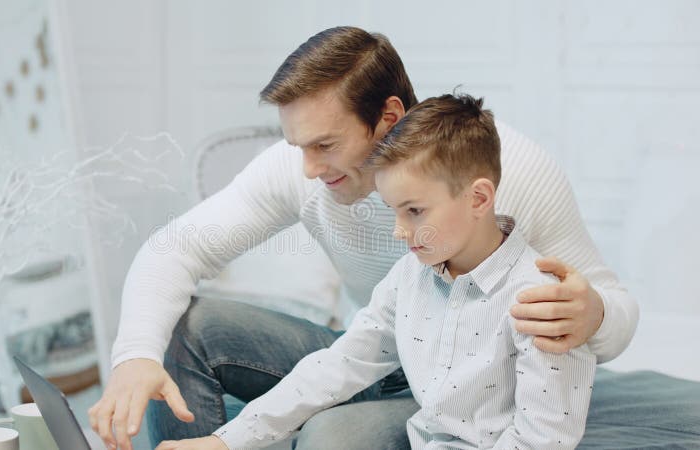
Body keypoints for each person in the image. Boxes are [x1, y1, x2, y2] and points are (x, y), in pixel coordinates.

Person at [88, 27, 638, 450]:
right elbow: (175, 247)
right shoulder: (337, 204)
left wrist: (593, 317)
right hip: (383, 350)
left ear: (387, 118)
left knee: (332, 435)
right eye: (296, 145)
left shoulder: (508, 172)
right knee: (184, 325)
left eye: (324, 144)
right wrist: (135, 356)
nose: (305, 167)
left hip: (471, 384)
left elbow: (611, 312)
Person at [159, 92, 598, 450]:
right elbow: (340, 365)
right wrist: (223, 441)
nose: (399, 231)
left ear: (479, 199)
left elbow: (544, 439)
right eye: (394, 211)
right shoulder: (411, 277)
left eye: (415, 211)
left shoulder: (541, 304)